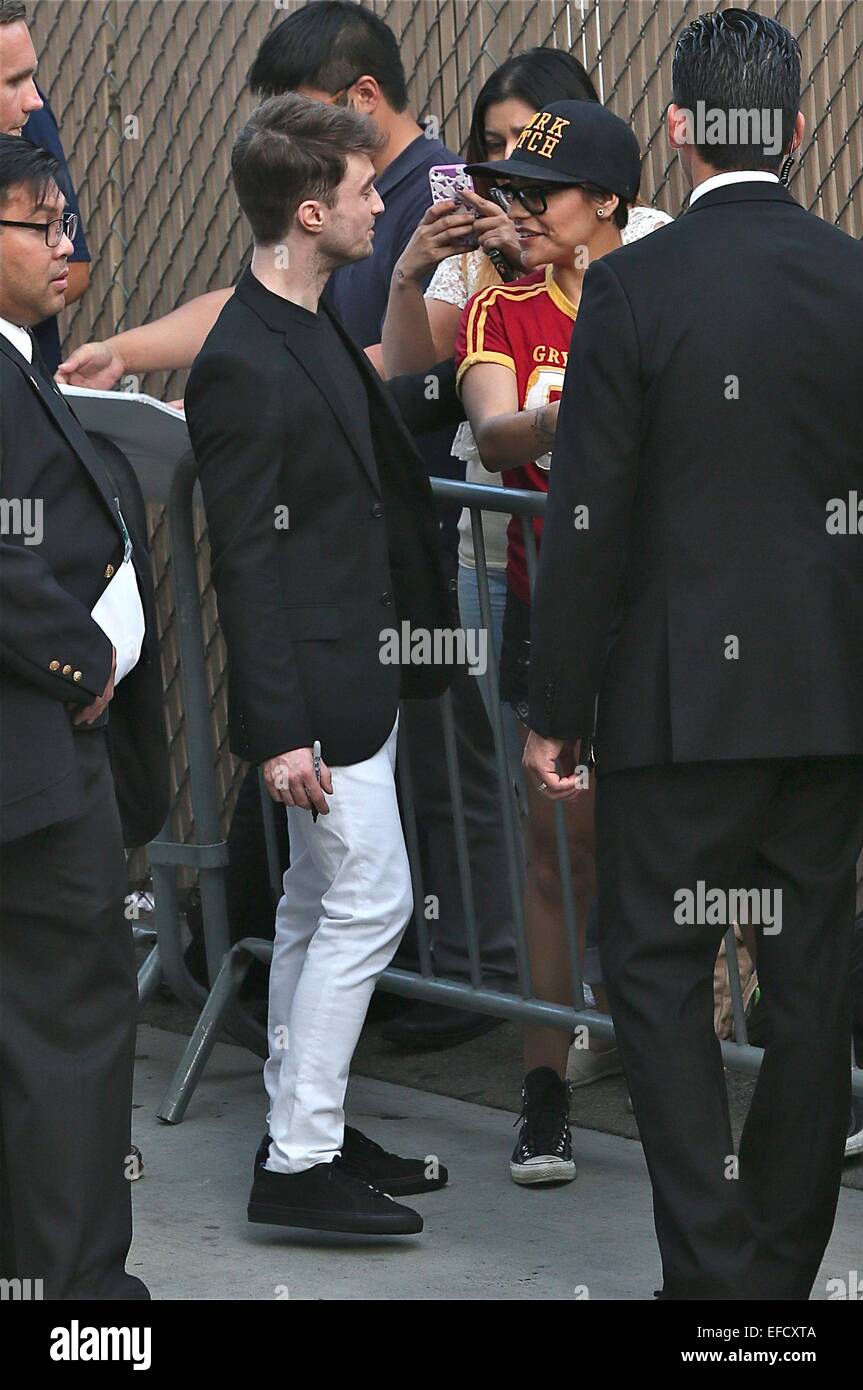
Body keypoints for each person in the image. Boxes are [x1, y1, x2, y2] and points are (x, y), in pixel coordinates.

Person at [59, 1, 520, 1048]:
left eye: (297, 117)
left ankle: (442, 1004)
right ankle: (303, 1124)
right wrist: (134, 350)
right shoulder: (302, 252)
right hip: (330, 611)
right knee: (344, 878)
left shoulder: (422, 198)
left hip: (406, 566)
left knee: (417, 817)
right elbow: (253, 314)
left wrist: (242, 393)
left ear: (359, 106)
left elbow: (382, 358)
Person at [524, 8, 863, 1299]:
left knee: (659, 971)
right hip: (830, 697)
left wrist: (556, 706)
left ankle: (707, 1266)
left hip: (676, 704)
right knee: (806, 968)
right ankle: (776, 1270)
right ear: (787, 126)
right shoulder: (853, 277)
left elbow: (587, 513)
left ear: (675, 128)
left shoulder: (631, 287)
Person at [185, 94, 459, 1236]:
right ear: (310, 213)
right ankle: (296, 1161)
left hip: (360, 678)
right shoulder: (242, 361)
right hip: (323, 702)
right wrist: (281, 731)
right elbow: (244, 563)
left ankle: (310, 1125)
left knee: (312, 904)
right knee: (368, 901)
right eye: (360, 193)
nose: (375, 205)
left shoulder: (298, 326)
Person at [454, 99, 655, 1184]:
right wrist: (580, 412)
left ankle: (697, 1067)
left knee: (674, 849)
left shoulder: (661, 293)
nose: (517, 212)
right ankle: (540, 1088)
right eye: (508, 191)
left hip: (667, 619)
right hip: (552, 608)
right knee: (555, 849)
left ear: (608, 202)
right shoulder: (504, 307)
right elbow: (490, 434)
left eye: (541, 194)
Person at [0, 135, 168, 1297]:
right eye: (40, 222)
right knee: (69, 1043)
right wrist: (82, 663)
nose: (67, 245)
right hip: (34, 766)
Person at [0, 2, 92, 371]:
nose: (34, 100)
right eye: (12, 82)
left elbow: (75, 267)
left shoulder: (25, 125)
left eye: (31, 78)